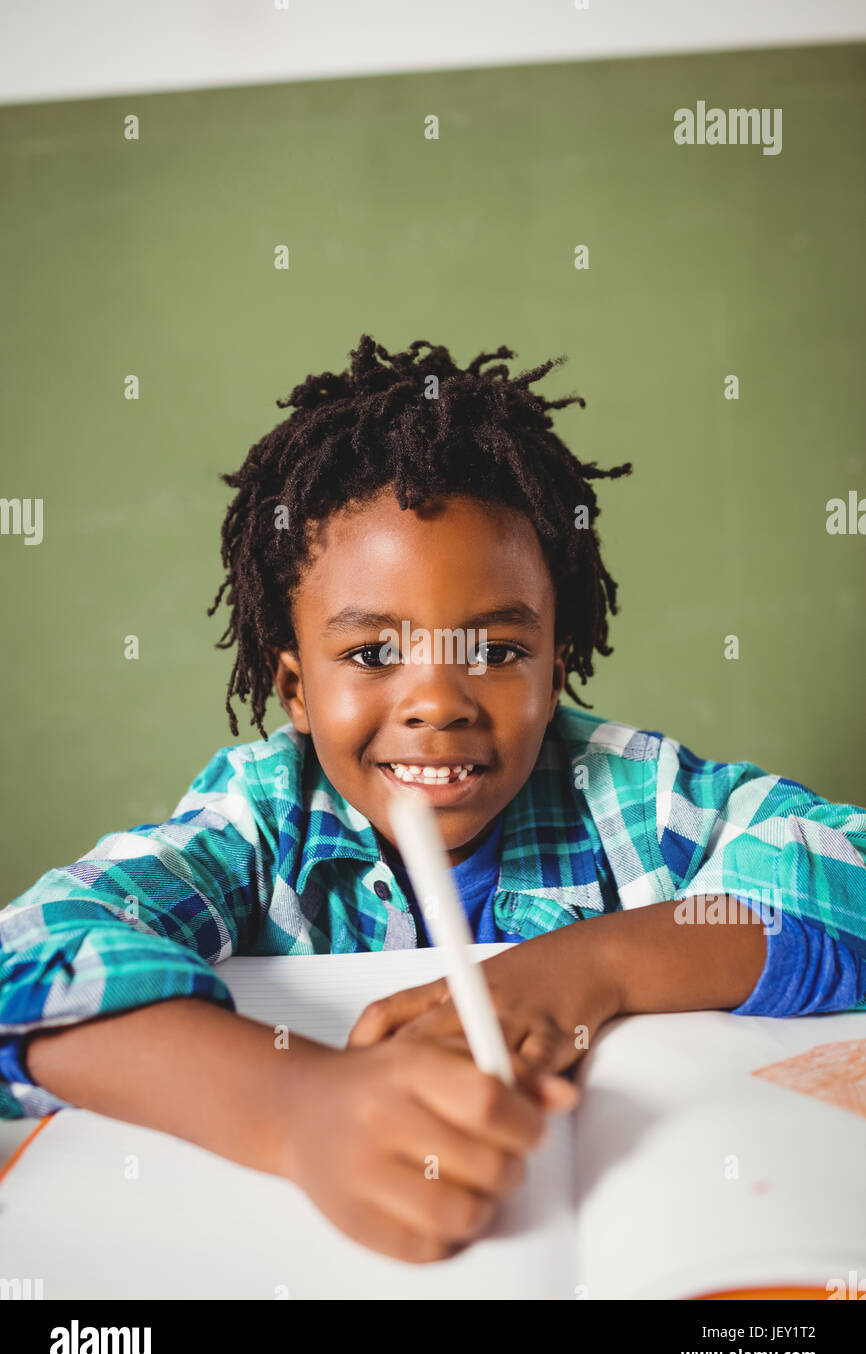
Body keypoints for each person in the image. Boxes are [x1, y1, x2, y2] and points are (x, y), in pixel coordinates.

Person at [1, 335, 864, 1264]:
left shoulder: (631, 793)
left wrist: (591, 967)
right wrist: (297, 1111)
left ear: (555, 665)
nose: (439, 702)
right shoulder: (260, 816)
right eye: (373, 654)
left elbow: (844, 862)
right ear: (294, 689)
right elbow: (32, 954)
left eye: (496, 651)